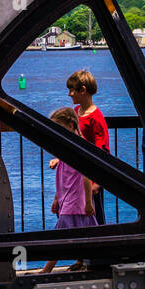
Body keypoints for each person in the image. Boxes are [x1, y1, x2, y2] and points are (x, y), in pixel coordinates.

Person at [40, 107, 96, 273]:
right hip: (69, 199)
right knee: (87, 236)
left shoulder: (78, 146)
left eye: (60, 127)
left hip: (76, 200)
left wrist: (88, 202)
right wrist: (57, 198)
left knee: (61, 236)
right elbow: (64, 177)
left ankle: (47, 269)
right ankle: (89, 262)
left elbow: (86, 175)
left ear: (71, 125)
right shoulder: (68, 146)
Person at [50, 70, 109, 224]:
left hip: (90, 181)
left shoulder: (96, 118)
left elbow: (102, 153)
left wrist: (97, 184)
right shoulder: (76, 113)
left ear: (83, 90)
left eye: (72, 90)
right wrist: (59, 158)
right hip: (73, 181)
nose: (70, 94)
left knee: (94, 219)